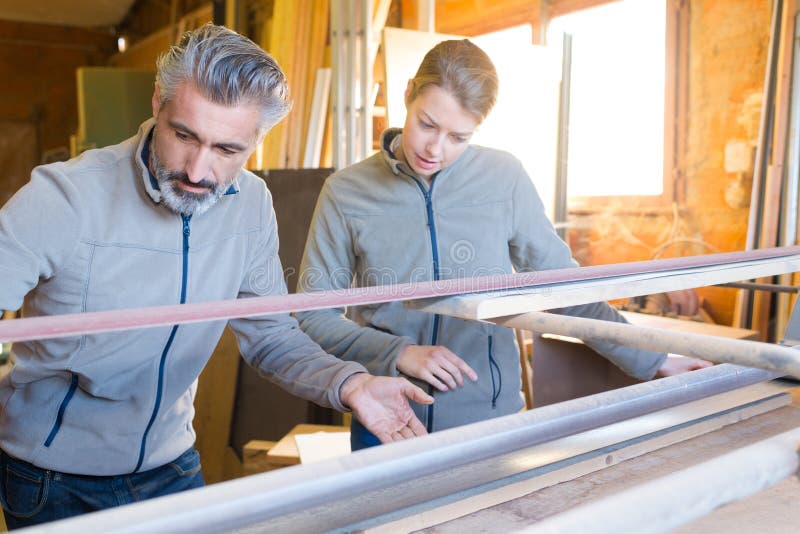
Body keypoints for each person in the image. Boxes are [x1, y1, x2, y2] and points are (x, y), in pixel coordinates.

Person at [0, 24, 432, 529]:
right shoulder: (65, 197)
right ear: (158, 101)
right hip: (53, 477)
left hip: (172, 464)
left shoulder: (250, 205)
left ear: (257, 141)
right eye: (184, 135)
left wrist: (350, 383)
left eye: (227, 150)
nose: (198, 171)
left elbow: (271, 336)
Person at [296, 39, 711, 450]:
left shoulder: (504, 177)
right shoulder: (346, 192)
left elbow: (565, 287)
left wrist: (654, 359)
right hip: (385, 417)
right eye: (426, 123)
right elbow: (314, 316)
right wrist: (398, 353)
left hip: (489, 421)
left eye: (458, 137)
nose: (435, 149)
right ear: (408, 95)